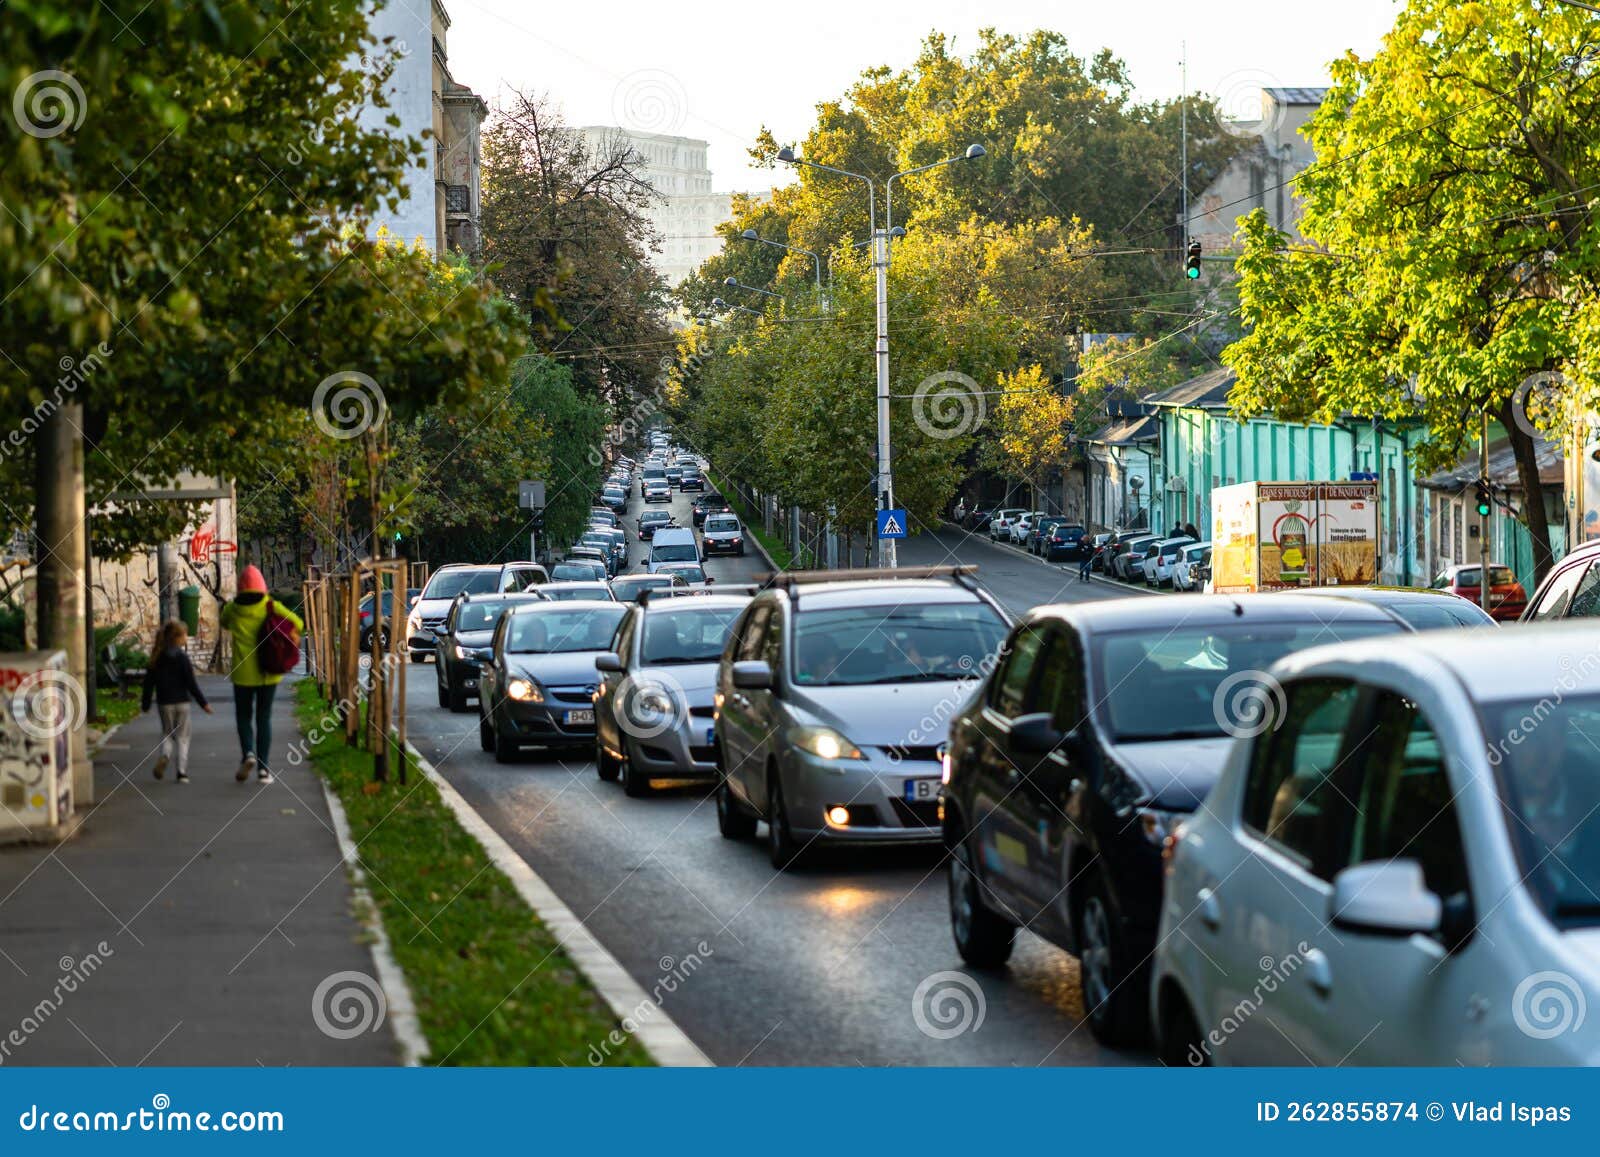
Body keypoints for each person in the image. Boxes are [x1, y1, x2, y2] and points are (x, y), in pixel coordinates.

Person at [219, 565, 302, 785]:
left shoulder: (232, 609)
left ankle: (248, 753)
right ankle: (264, 770)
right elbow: (299, 623)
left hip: (242, 674)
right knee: (263, 718)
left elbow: (223, 623)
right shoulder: (270, 606)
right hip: (268, 672)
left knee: (243, 717)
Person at [140, 620, 212, 783]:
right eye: (185, 635)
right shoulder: (182, 658)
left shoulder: (157, 657)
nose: (187, 638)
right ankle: (181, 772)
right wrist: (203, 703)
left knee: (167, 733)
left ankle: (165, 755)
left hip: (164, 702)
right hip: (182, 702)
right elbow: (191, 683)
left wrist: (145, 704)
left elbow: (148, 683)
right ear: (177, 638)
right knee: (183, 737)